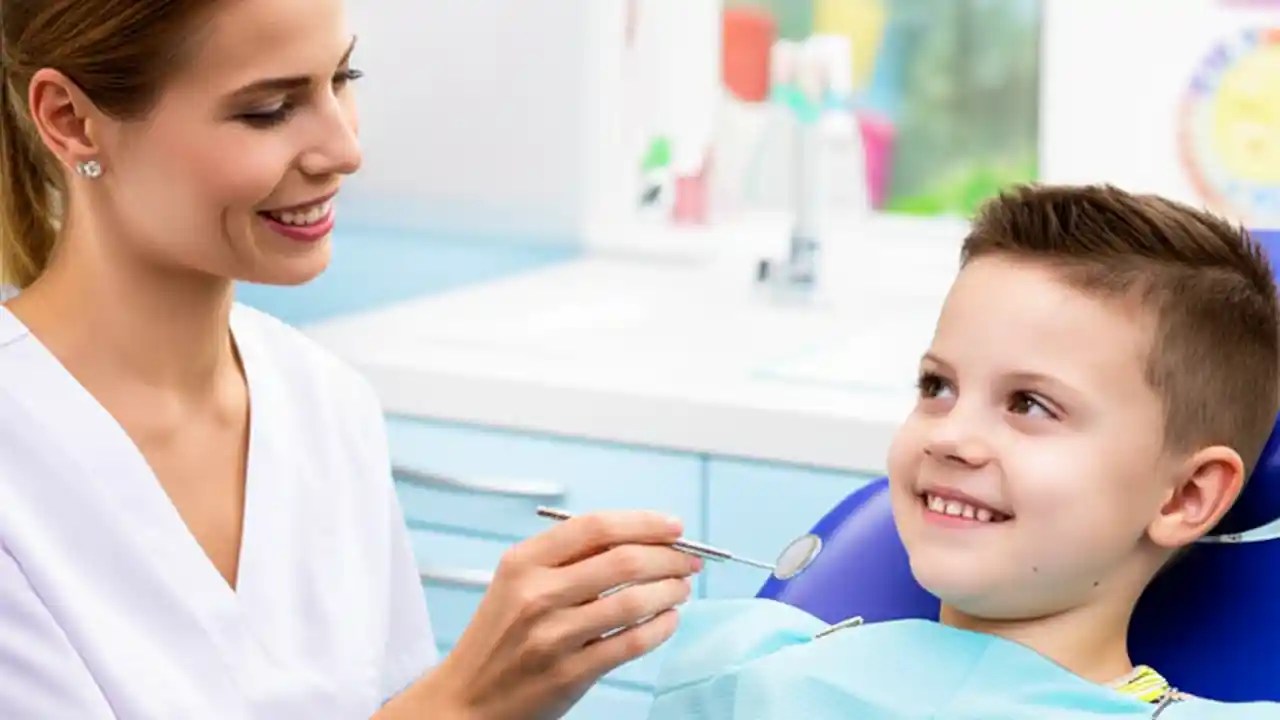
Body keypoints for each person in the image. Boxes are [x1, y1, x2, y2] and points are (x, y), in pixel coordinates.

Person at [0, 1, 701, 718]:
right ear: (70, 119)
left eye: (342, 78)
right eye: (268, 110)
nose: (343, 149)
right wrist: (467, 701)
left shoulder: (326, 403)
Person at [645, 184, 1280, 717]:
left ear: (1186, 495)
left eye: (1029, 404)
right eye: (937, 387)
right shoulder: (760, 674)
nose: (949, 436)